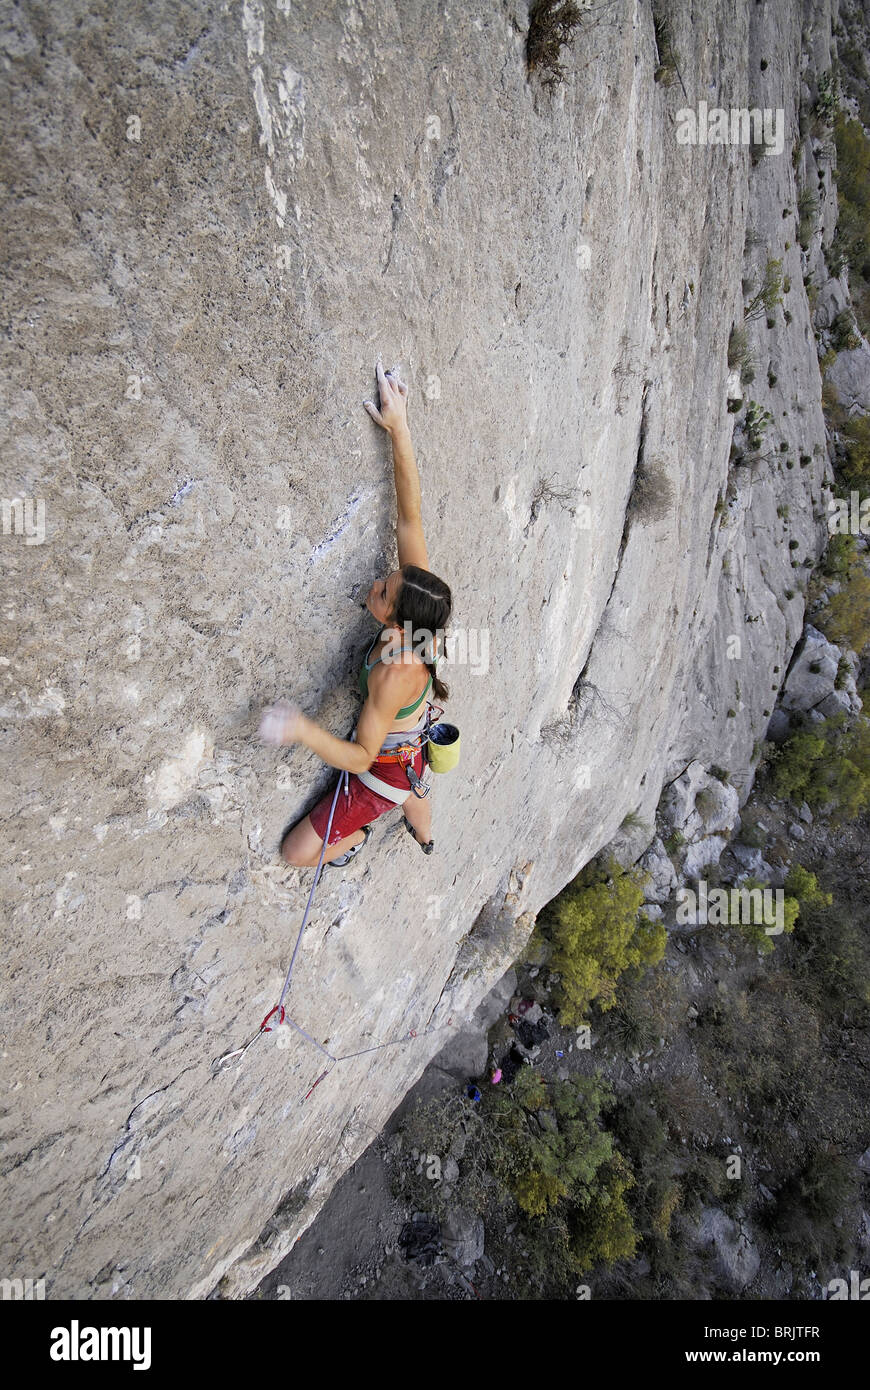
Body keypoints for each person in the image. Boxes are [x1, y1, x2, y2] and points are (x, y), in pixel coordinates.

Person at [260, 357, 452, 867]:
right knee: (416, 787)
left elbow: (360, 758)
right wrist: (400, 427)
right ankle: (423, 826)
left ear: (394, 619)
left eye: (383, 592)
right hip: (408, 749)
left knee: (297, 852)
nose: (376, 585)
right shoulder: (420, 607)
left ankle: (361, 838)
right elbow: (409, 519)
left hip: (384, 770)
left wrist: (302, 730)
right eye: (389, 579)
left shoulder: (394, 674)